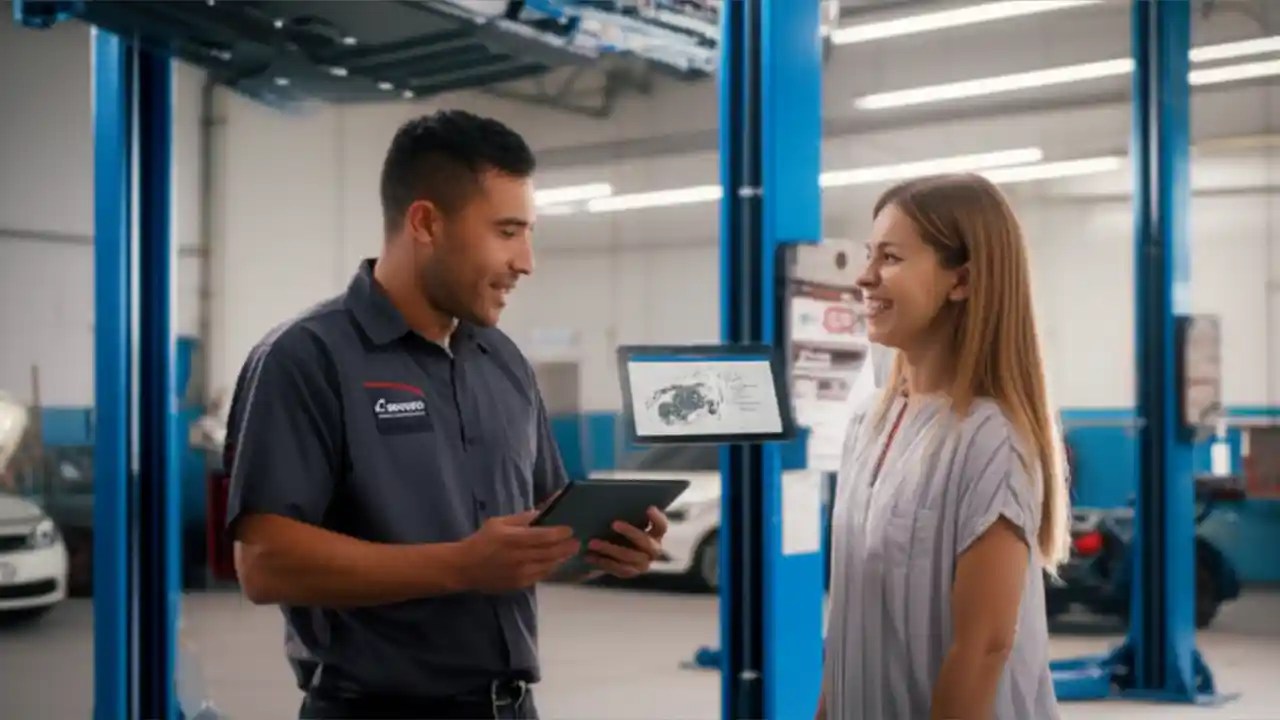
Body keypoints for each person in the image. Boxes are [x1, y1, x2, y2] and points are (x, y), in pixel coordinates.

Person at [223, 109, 669, 720]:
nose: (527, 261)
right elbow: (265, 563)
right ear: (426, 222)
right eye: (507, 232)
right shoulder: (307, 357)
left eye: (529, 233)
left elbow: (536, 535)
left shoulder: (504, 360)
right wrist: (461, 565)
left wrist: (601, 549)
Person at [818, 173, 1069, 720]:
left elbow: (983, 648)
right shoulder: (868, 423)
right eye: (869, 255)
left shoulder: (991, 439)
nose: (864, 277)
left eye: (890, 258)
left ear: (962, 281)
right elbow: (850, 622)